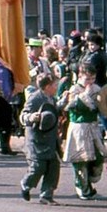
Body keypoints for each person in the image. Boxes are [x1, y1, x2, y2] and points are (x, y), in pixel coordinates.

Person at [57, 63, 107, 199]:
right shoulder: (74, 89)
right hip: (79, 128)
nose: (90, 82)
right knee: (81, 160)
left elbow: (103, 107)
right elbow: (71, 107)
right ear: (80, 76)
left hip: (93, 127)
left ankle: (90, 181)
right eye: (87, 79)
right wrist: (86, 94)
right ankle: (83, 187)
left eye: (93, 79)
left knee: (98, 158)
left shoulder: (97, 88)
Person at [19, 73, 61, 205]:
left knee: (54, 166)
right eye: (55, 85)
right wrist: (31, 118)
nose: (56, 87)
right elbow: (23, 115)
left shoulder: (51, 98)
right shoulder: (35, 98)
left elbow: (55, 110)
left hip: (51, 138)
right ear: (47, 86)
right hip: (37, 140)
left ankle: (47, 194)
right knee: (38, 166)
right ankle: (26, 184)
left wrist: (64, 101)